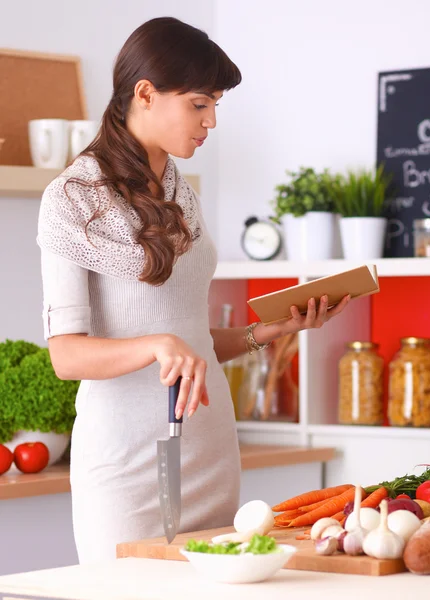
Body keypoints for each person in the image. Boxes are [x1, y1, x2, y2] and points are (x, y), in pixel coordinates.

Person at [37, 16, 350, 564]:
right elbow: (66, 355)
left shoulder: (182, 191)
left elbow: (188, 338)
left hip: (209, 450)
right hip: (124, 466)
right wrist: (156, 345)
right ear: (145, 94)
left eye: (215, 108)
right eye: (199, 104)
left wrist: (268, 331)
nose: (210, 122)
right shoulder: (71, 199)